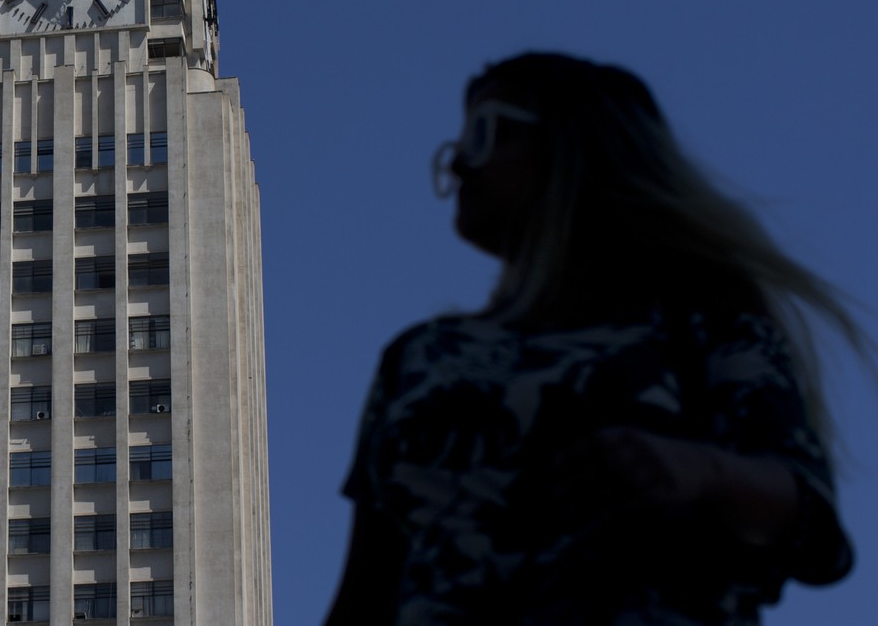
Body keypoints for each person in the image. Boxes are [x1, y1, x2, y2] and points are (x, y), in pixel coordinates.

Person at [325, 52, 864, 625]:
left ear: (577, 146)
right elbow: (364, 593)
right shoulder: (418, 358)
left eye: (487, 133)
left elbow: (815, 529)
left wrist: (700, 472)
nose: (458, 163)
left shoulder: (703, 321)